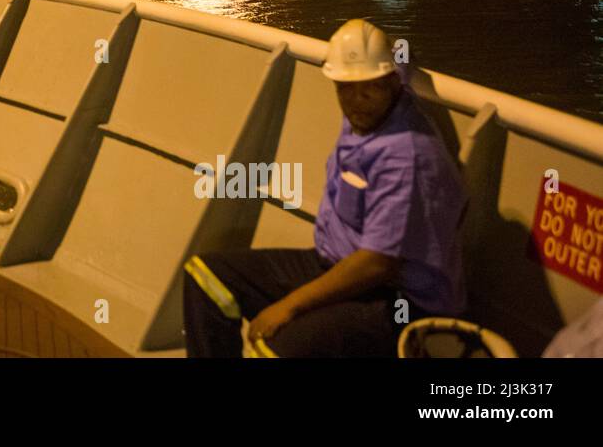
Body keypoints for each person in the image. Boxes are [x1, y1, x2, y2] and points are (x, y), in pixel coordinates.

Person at [183, 19, 467, 357]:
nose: (356, 100)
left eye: (368, 88)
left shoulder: (407, 156)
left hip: (397, 300)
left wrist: (289, 306)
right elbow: (393, 57)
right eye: (345, 88)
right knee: (207, 278)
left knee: (276, 348)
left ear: (391, 83)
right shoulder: (371, 98)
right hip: (333, 264)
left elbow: (377, 265)